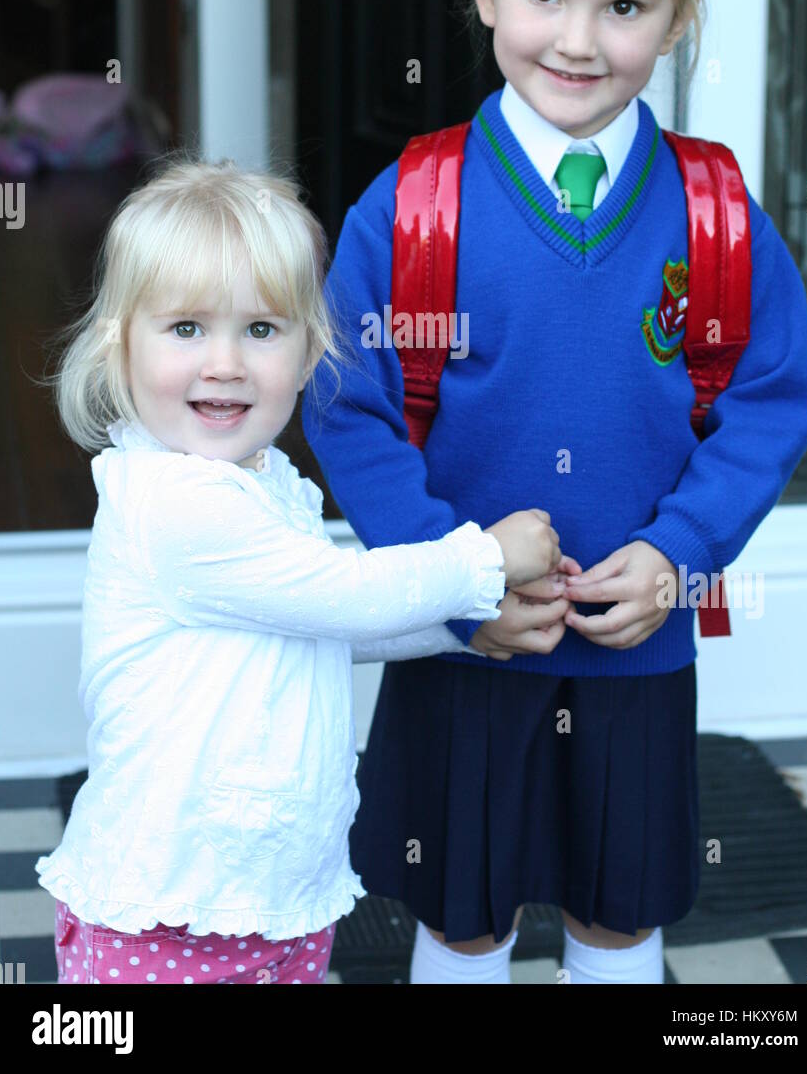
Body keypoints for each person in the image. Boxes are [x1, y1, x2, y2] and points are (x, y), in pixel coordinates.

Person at [302, 0, 807, 984]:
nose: (577, 40)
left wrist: (681, 550)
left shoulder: (714, 214)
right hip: (463, 645)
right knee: (460, 913)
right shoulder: (413, 204)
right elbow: (348, 404)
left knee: (618, 909)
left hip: (633, 648)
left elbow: (768, 399)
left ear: (679, 16)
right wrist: (450, 574)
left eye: (624, 6)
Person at [35, 156, 567, 984]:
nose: (224, 363)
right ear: (119, 345)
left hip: (274, 892)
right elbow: (343, 595)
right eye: (185, 329)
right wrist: (485, 560)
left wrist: (462, 633)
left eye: (261, 329)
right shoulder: (172, 505)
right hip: (171, 911)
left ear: (309, 348)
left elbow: (310, 627)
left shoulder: (264, 484)